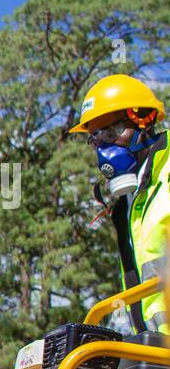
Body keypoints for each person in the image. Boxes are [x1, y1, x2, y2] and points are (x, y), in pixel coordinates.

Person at [70, 74, 168, 331]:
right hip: (154, 352)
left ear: (144, 122)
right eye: (95, 140)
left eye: (111, 133)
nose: (103, 149)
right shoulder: (126, 206)